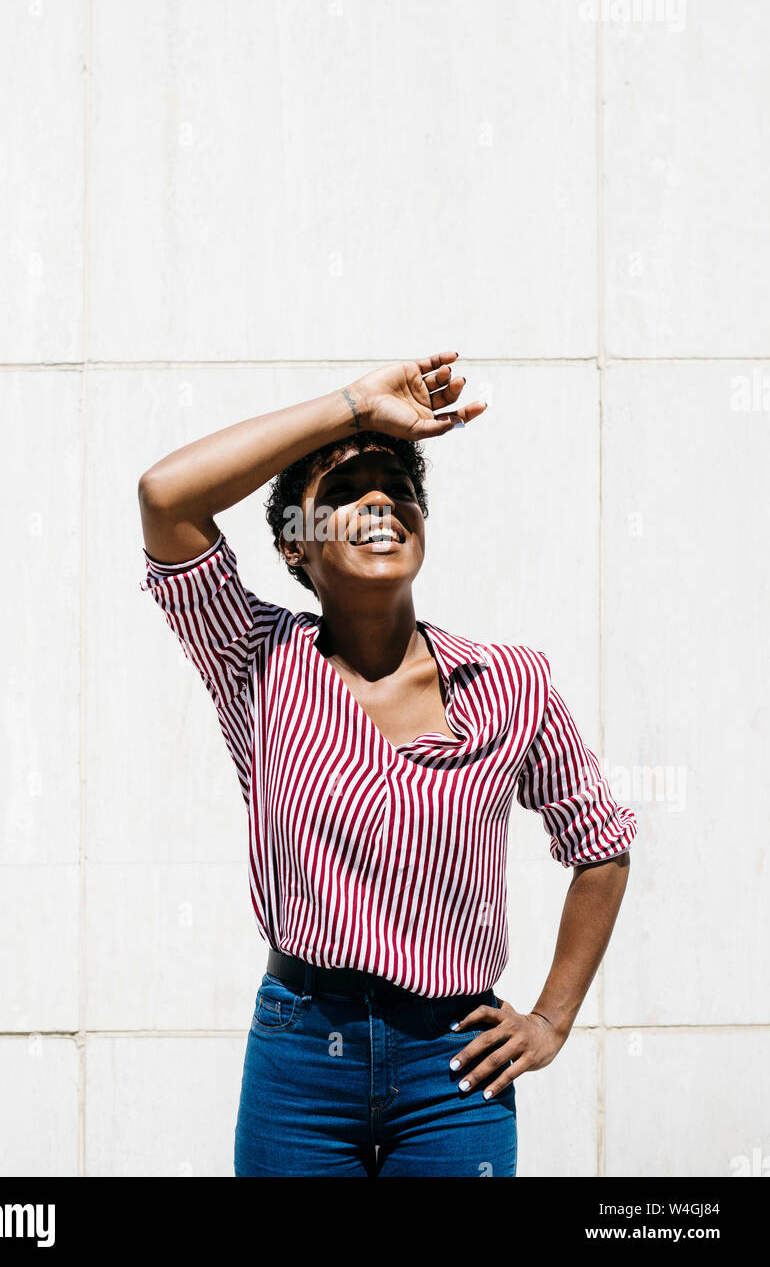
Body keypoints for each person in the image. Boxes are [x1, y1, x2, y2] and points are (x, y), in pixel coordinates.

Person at [137, 352, 636, 1177]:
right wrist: (355, 406)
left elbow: (602, 846)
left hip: (454, 1068)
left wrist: (550, 1019)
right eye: (341, 491)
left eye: (398, 488)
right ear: (294, 547)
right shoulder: (256, 660)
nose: (379, 502)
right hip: (300, 1061)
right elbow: (167, 497)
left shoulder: (508, 683)